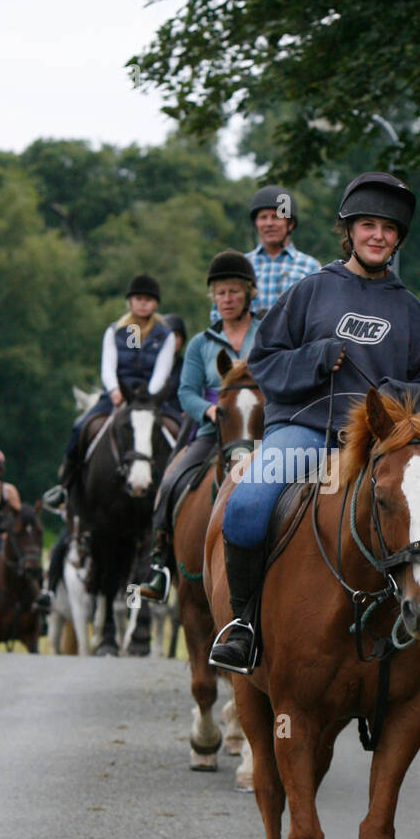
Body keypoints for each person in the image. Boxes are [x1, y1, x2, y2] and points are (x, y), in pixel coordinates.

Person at [209, 171, 420, 687]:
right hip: (307, 430)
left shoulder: (412, 310)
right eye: (368, 225)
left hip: (387, 443)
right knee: (246, 508)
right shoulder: (309, 292)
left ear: (398, 239)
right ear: (349, 231)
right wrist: (314, 358)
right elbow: (264, 361)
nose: (378, 235)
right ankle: (243, 625)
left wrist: (392, 399)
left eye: (388, 229)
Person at [139, 251, 262, 602]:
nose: (226, 299)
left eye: (234, 292)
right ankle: (160, 565)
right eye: (220, 293)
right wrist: (210, 412)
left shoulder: (267, 336)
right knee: (172, 478)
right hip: (215, 431)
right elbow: (185, 392)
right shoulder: (201, 344)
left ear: (249, 294)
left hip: (261, 432)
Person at [58, 274, 176, 498]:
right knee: (81, 427)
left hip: (152, 397)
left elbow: (163, 369)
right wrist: (113, 390)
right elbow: (108, 366)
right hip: (120, 393)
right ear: (130, 301)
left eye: (148, 299)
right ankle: (66, 483)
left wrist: (148, 398)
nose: (143, 303)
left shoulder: (165, 334)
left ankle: (180, 485)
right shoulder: (116, 331)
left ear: (156, 303)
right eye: (138, 298)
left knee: (179, 430)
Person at [209, 186, 320, 323]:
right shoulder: (241, 265)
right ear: (256, 224)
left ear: (290, 224)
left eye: (276, 217)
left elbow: (318, 314)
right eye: (263, 217)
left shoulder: (310, 267)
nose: (269, 223)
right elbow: (218, 314)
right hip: (246, 343)